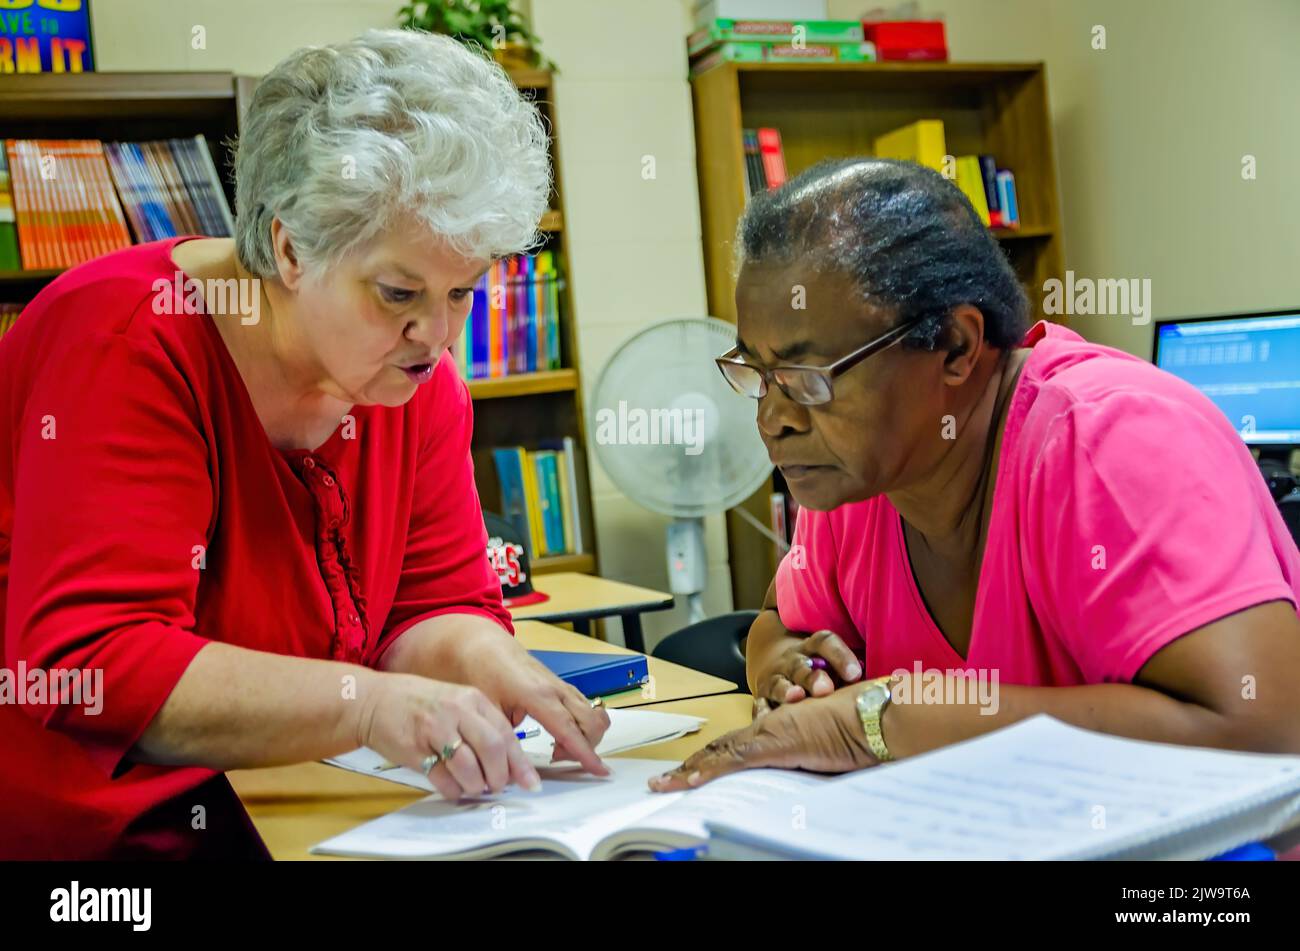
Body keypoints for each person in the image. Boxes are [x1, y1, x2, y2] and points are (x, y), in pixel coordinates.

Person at [0, 29, 608, 859]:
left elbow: (431, 605)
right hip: (105, 847)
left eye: (462, 292)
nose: (435, 337)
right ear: (289, 247)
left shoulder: (412, 381)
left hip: (306, 809)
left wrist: (489, 659)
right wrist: (368, 704)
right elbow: (97, 663)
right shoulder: (127, 343)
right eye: (399, 291)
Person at [650, 158, 1300, 793]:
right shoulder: (854, 476)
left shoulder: (1110, 443)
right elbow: (777, 621)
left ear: (956, 347)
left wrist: (875, 721)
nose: (772, 417)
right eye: (756, 374)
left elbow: (1267, 728)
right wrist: (783, 670)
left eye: (807, 377)